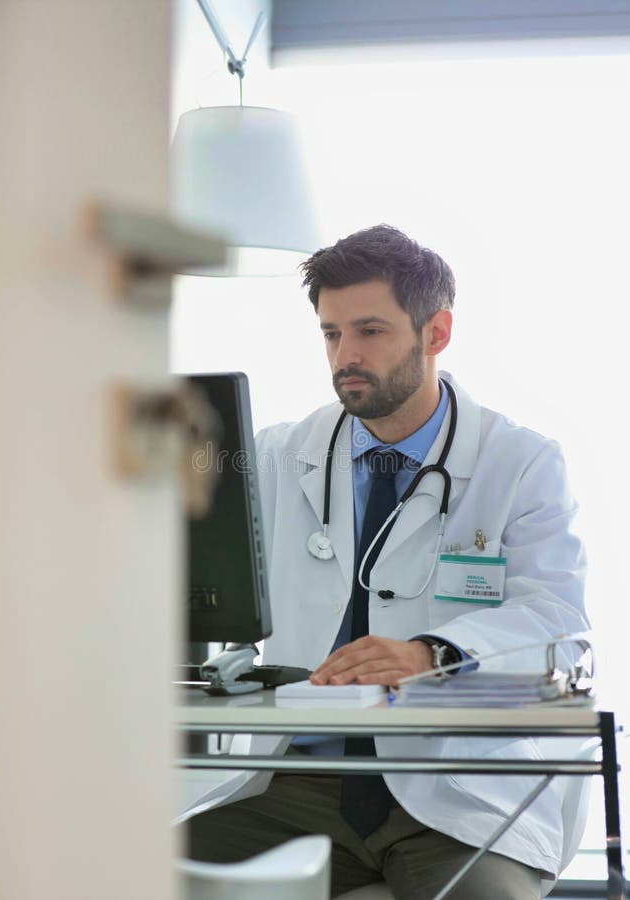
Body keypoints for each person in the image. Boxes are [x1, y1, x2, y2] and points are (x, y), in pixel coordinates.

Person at [187, 224, 588, 899]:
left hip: (455, 787)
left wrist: (433, 653)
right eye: (332, 333)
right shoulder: (275, 456)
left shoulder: (520, 463)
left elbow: (557, 622)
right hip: (301, 781)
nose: (346, 355)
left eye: (370, 331)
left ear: (437, 332)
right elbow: (205, 587)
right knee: (134, 869)